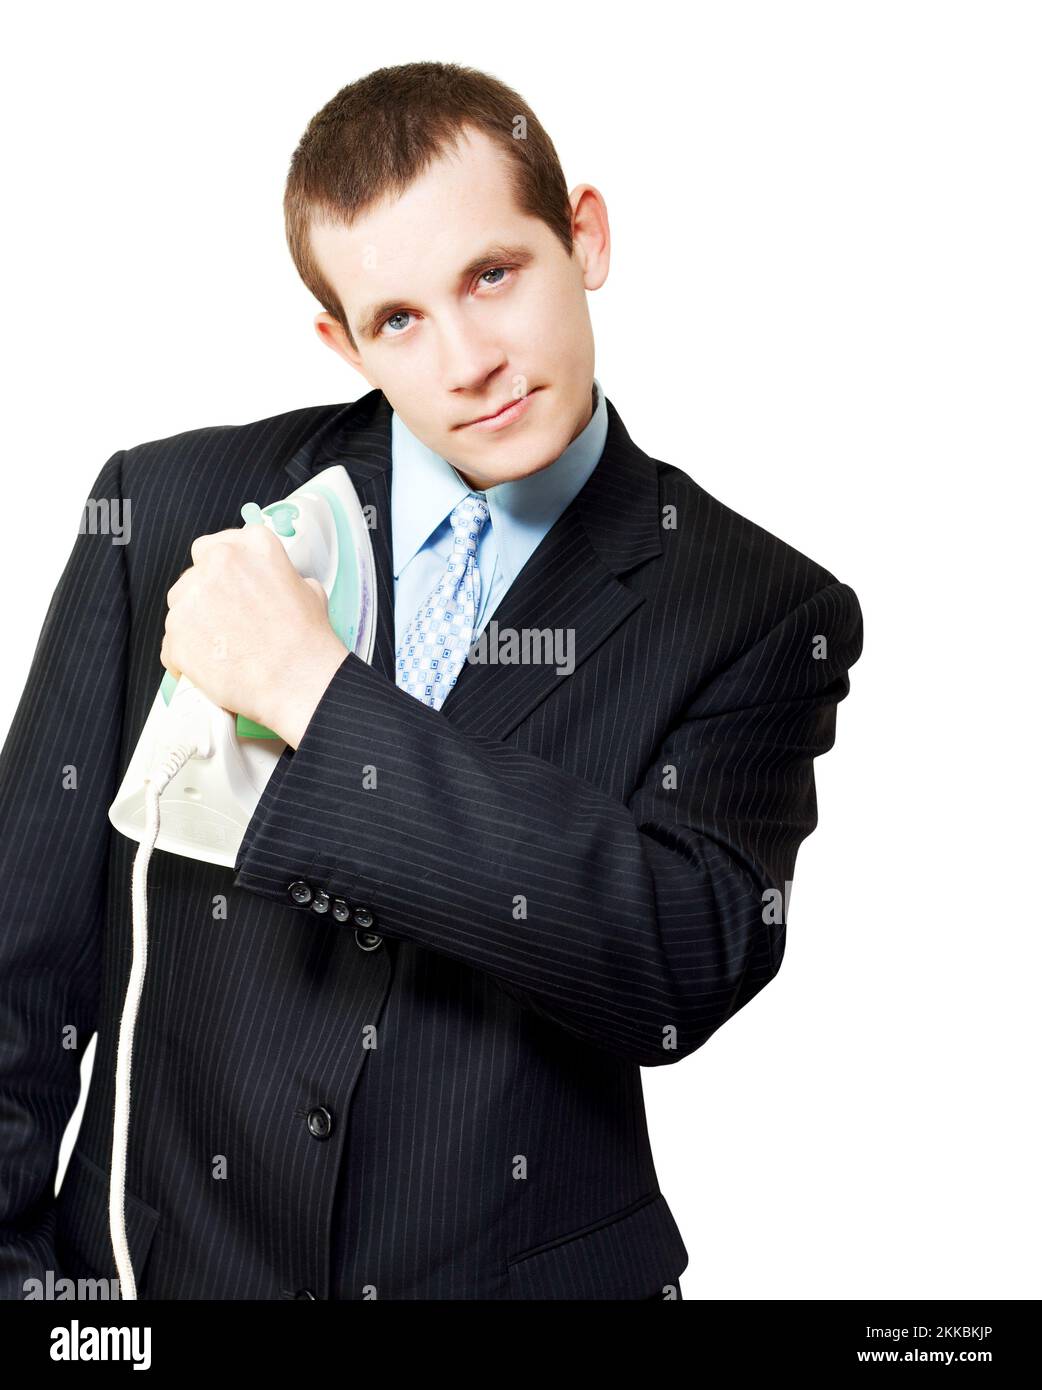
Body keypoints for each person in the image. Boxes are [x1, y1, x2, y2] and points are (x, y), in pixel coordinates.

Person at [0, 61, 863, 1300]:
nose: (468, 361)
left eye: (493, 276)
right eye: (398, 319)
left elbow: (680, 961)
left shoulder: (756, 606)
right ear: (340, 339)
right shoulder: (169, 513)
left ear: (585, 238)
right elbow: (23, 962)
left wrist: (316, 695)